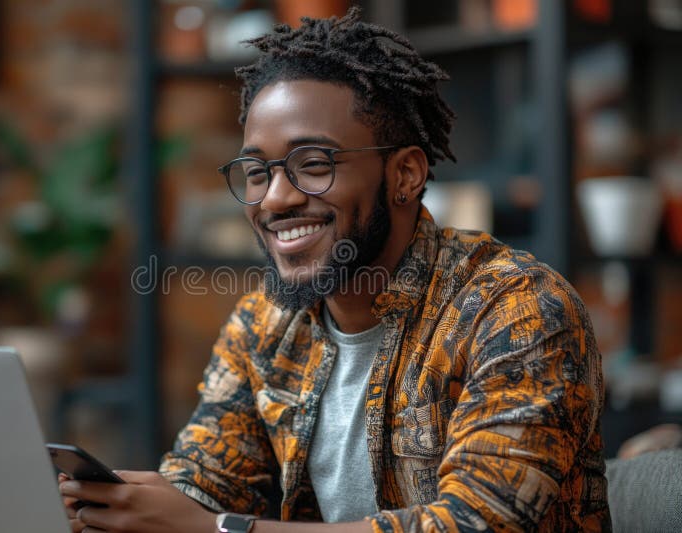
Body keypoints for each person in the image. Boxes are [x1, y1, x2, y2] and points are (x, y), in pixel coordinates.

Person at [60, 8, 611, 532]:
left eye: (313, 165)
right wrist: (125, 508)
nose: (274, 200)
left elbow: (476, 523)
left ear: (405, 174)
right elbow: (206, 482)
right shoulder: (264, 325)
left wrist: (219, 530)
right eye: (257, 172)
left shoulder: (516, 309)